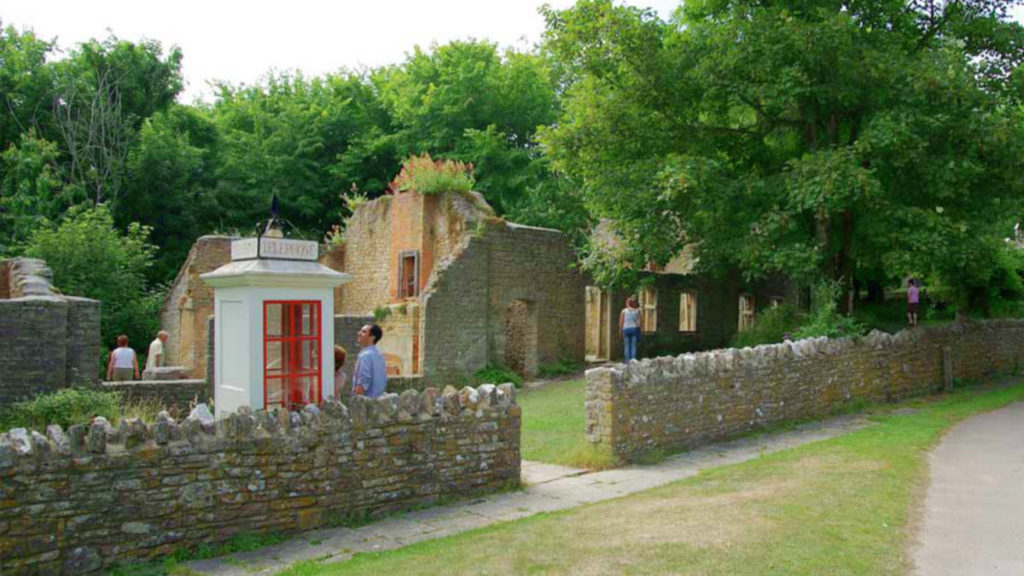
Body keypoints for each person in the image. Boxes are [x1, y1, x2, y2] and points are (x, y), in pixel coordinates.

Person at [352, 324, 387, 398]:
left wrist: (357, 401)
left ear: (372, 337)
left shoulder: (365, 356)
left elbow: (363, 382)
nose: (359, 333)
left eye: (364, 332)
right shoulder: (379, 356)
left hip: (366, 404)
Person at [619, 296, 642, 362]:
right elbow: (640, 321)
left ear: (627, 303)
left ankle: (627, 361)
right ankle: (633, 361)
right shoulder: (637, 311)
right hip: (634, 329)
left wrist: (620, 330)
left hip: (626, 329)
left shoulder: (624, 311)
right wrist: (639, 329)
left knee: (626, 345)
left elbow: (621, 322)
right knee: (633, 345)